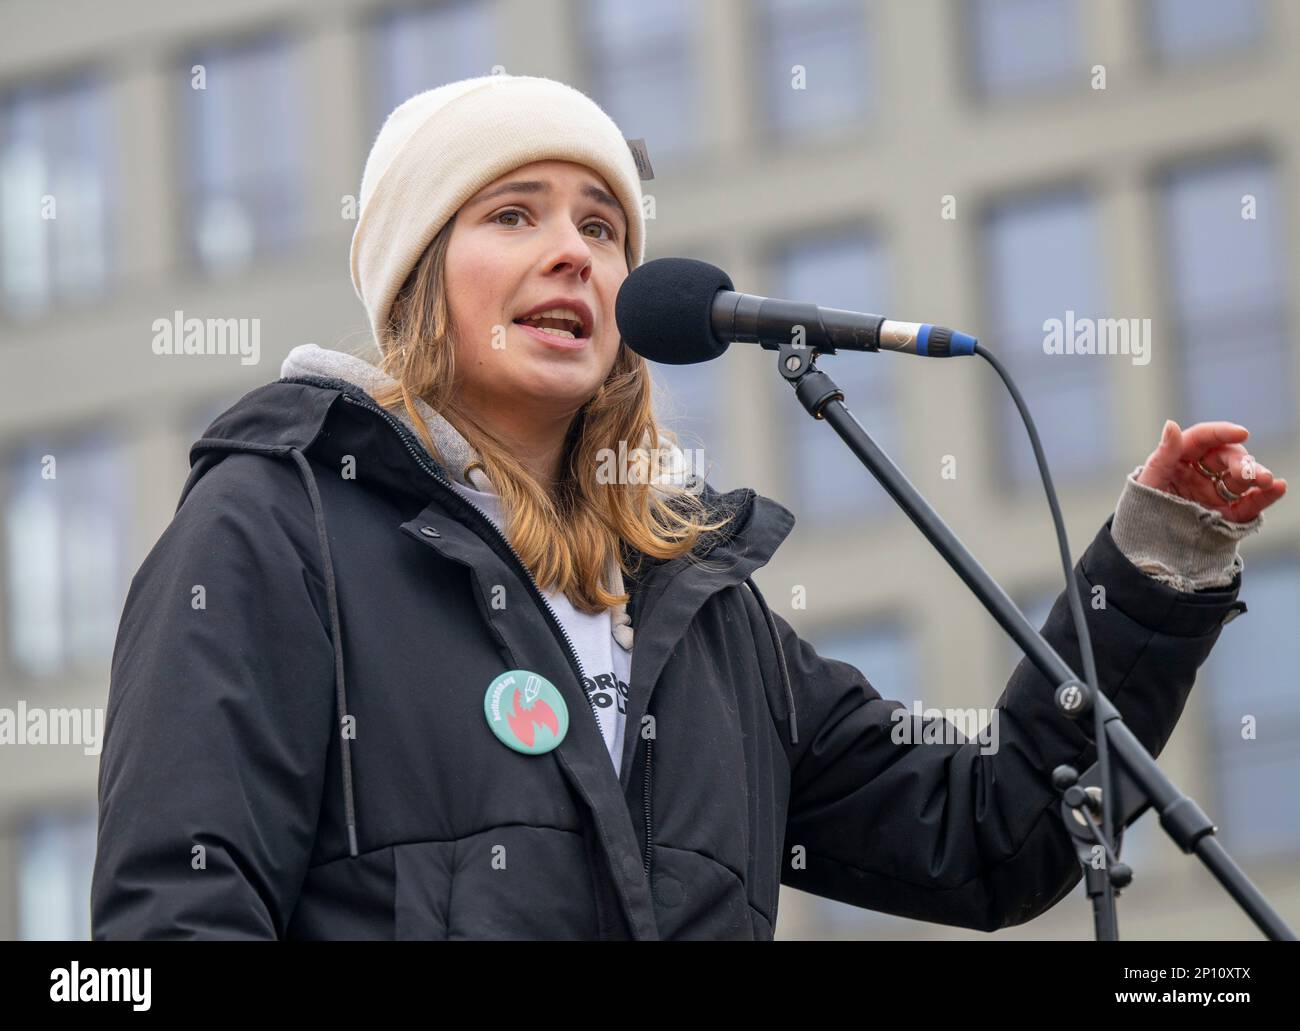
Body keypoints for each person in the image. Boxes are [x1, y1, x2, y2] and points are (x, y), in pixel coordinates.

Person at [91, 74, 1287, 940]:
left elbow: (987, 833)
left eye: (601, 227)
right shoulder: (275, 524)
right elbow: (174, 918)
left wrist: (1153, 565)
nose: (574, 254)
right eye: (514, 215)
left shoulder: (700, 610)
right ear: (413, 276)